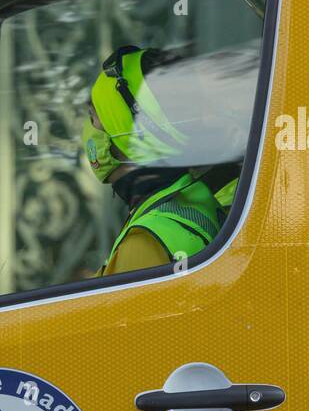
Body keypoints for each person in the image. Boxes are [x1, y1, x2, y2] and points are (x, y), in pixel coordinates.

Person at [83, 45, 230, 277]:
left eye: (94, 117)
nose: (89, 131)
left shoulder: (145, 241)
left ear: (127, 134)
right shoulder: (194, 201)